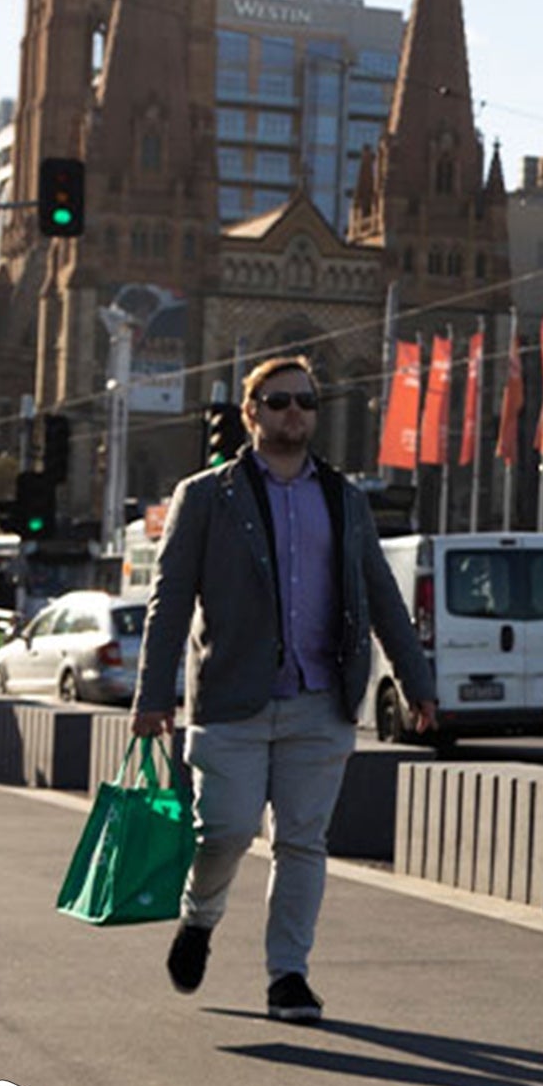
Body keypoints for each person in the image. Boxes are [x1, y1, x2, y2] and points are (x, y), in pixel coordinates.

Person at [134, 356, 435, 1026]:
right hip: (231, 699)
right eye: (278, 401)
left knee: (302, 842)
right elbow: (170, 600)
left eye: (305, 401)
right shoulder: (206, 496)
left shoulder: (344, 497)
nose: (294, 412)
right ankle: (199, 917)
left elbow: (382, 595)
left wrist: (417, 680)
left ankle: (289, 975)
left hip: (320, 699)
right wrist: (152, 695)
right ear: (251, 413)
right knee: (226, 830)